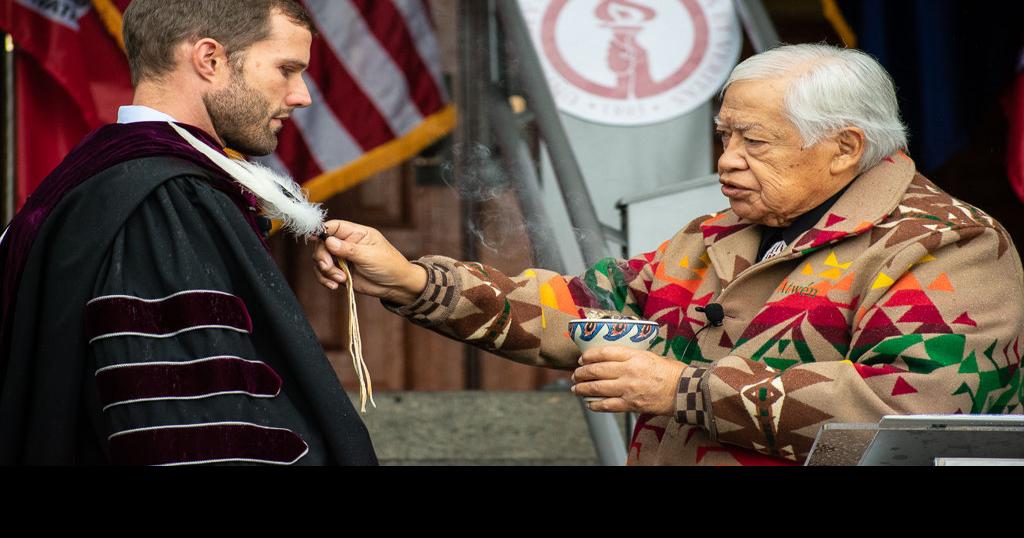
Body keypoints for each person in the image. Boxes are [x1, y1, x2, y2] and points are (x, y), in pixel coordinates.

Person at [314, 43, 1024, 466]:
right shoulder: (712, 236)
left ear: (843, 147)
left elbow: (911, 420)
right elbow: (579, 312)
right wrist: (411, 279)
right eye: (723, 138)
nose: (727, 161)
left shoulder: (946, 246)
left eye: (755, 141)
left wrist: (680, 389)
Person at [0, 0, 376, 465]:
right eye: (286, 69)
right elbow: (192, 434)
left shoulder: (95, 183)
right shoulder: (163, 203)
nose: (302, 96)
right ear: (210, 60)